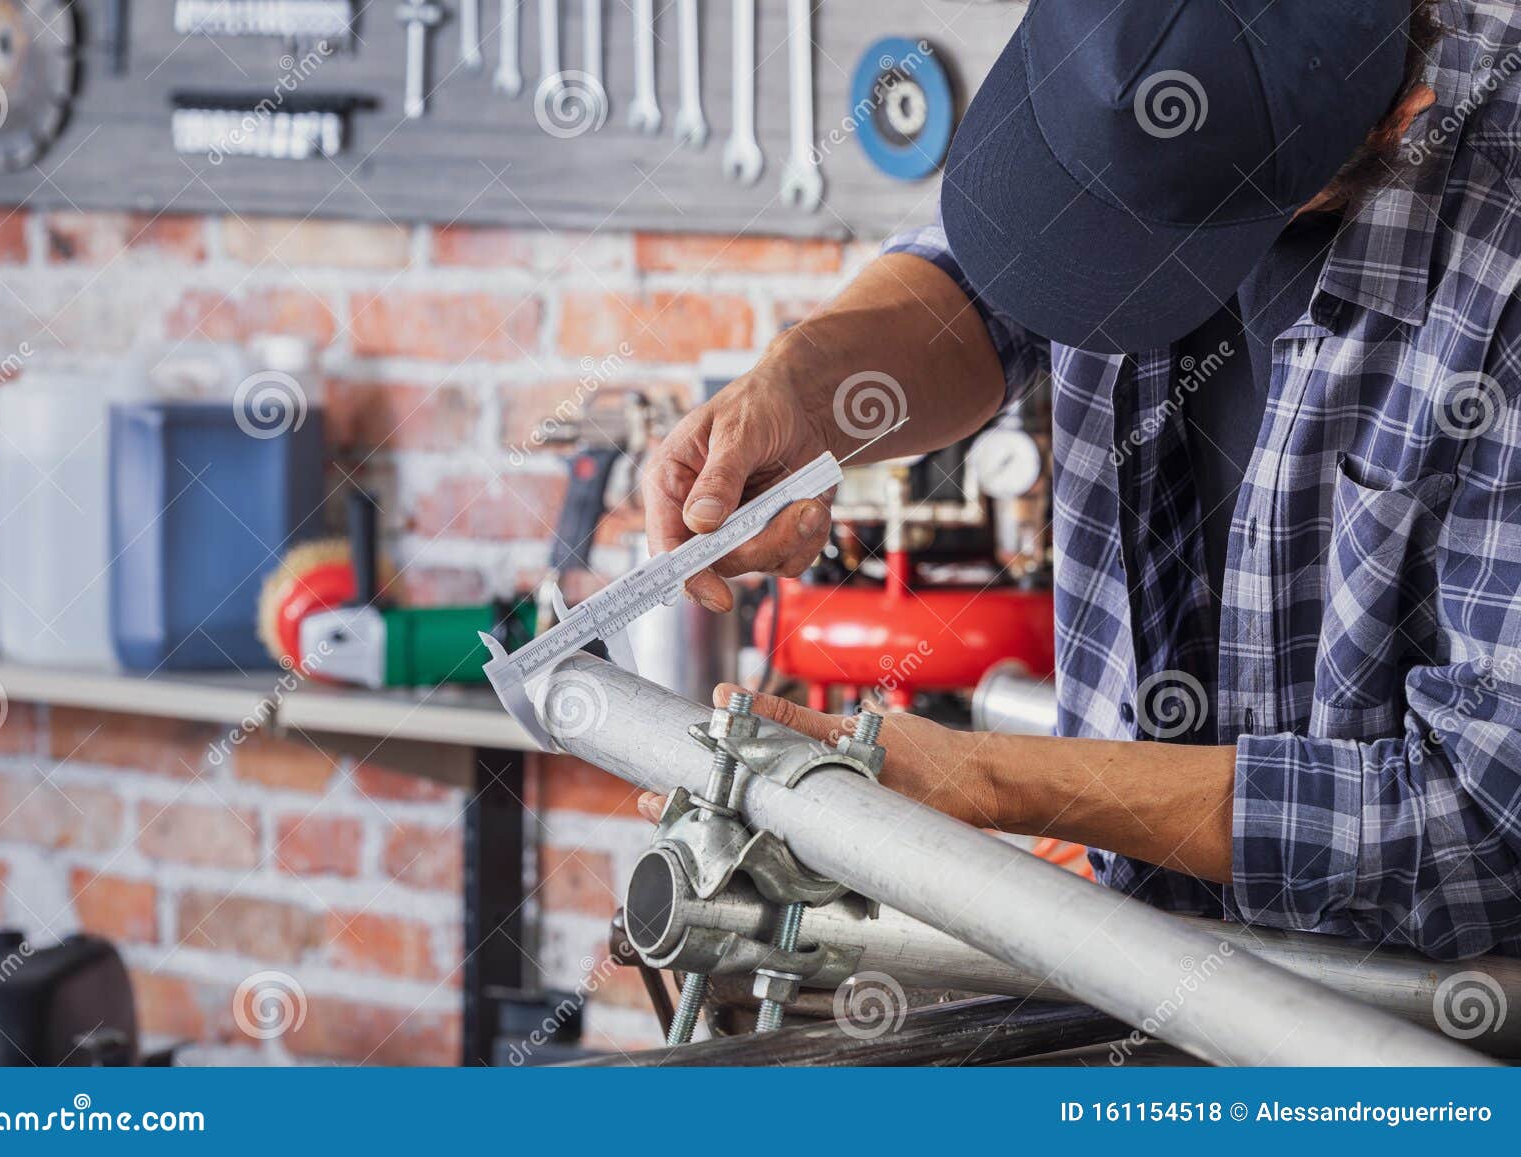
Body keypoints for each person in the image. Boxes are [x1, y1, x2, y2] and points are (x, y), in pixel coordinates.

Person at [638, 0, 1521, 959]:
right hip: (1136, 956)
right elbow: (987, 279)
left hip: (1401, 1040)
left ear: (1397, 122)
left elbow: (1486, 826)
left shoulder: (1499, 264)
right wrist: (806, 392)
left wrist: (984, 780)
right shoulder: (1127, 67)